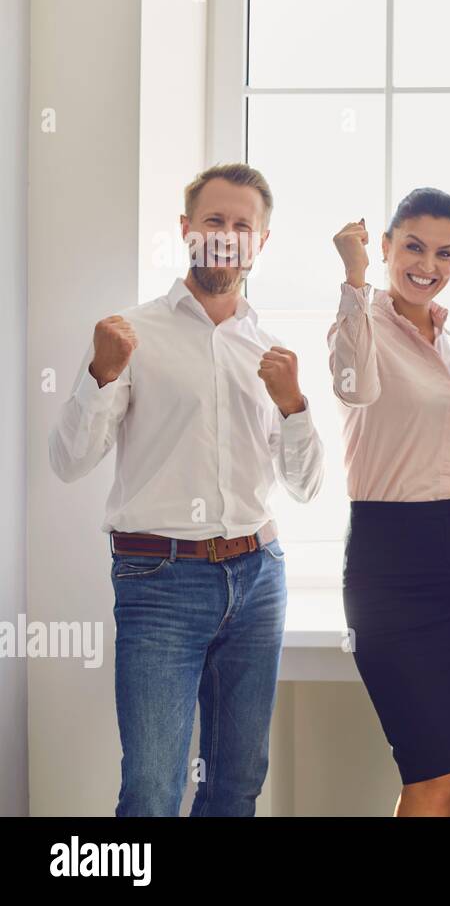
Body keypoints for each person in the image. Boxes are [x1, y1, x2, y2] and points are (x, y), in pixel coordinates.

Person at [49, 162, 325, 816]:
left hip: (259, 578)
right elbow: (67, 461)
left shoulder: (270, 347)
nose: (226, 235)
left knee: (237, 784)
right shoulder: (129, 335)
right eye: (213, 220)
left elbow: (306, 486)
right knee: (150, 790)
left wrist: (294, 405)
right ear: (185, 230)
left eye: (242, 225)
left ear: (260, 243)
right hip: (159, 580)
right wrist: (99, 374)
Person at [328, 188, 450, 817]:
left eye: (445, 253)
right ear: (385, 247)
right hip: (388, 564)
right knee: (428, 763)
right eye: (412, 246)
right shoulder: (360, 323)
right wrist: (353, 278)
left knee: (448, 766)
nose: (426, 264)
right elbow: (352, 389)